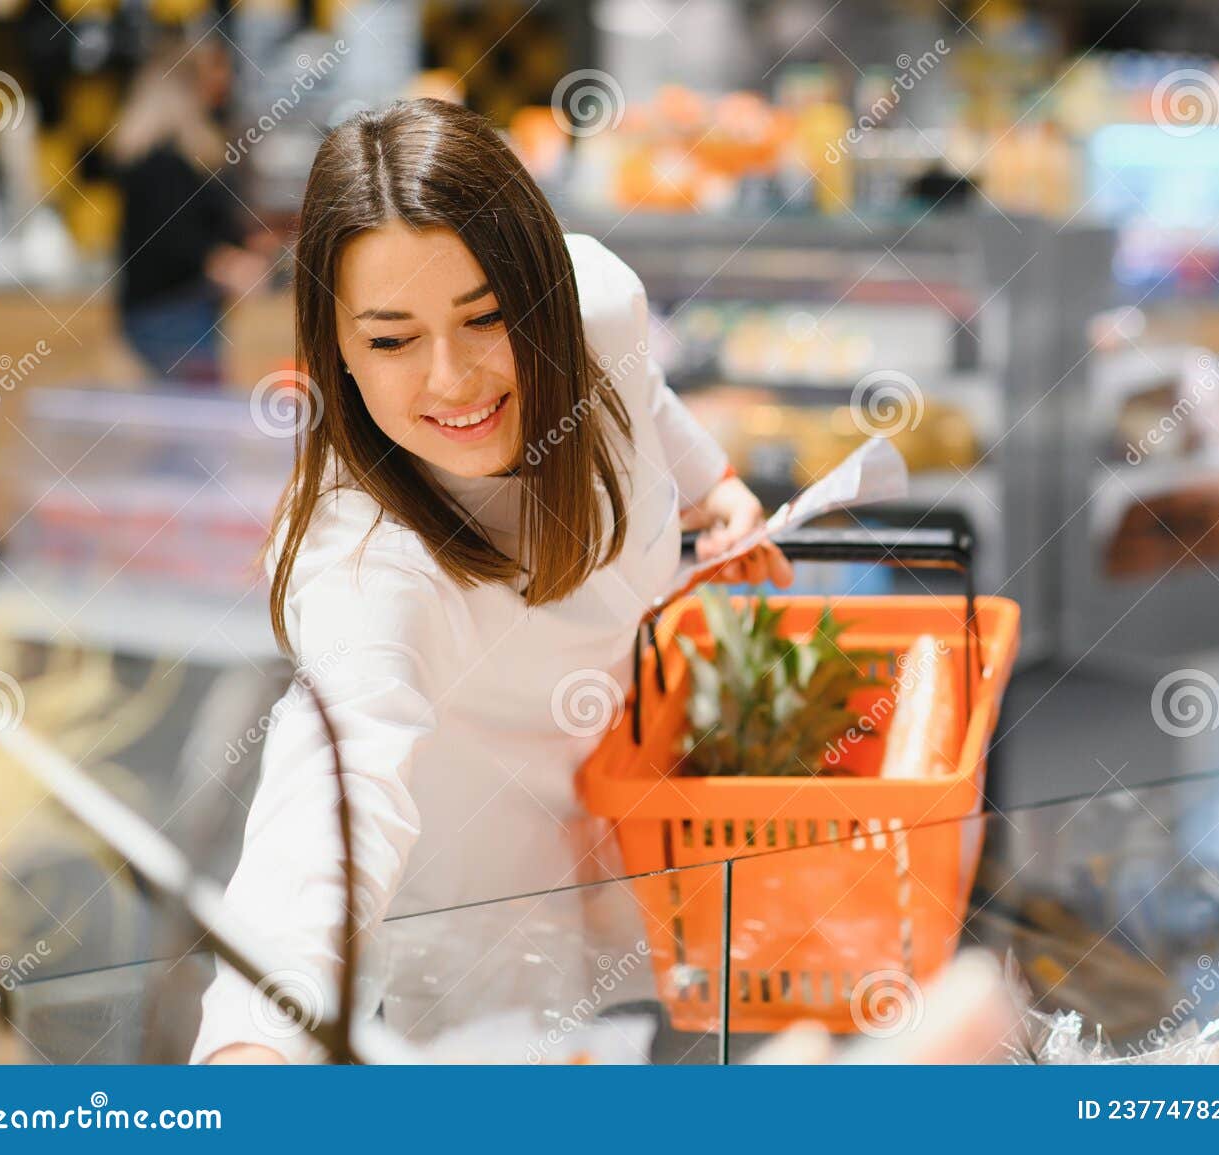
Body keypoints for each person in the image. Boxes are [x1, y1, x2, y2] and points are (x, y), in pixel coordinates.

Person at [191, 99, 790, 1063]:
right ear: (335, 351)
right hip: (491, 927)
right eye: (391, 340)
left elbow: (646, 395)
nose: (454, 379)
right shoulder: (362, 552)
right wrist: (252, 1053)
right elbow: (326, 802)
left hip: (658, 838)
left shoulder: (599, 305)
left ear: (545, 297)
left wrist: (712, 483)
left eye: (488, 317)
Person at [109, 34, 268, 384]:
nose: (224, 81)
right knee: (198, 425)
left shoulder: (161, 155)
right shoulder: (164, 160)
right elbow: (171, 238)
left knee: (183, 424)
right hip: (172, 315)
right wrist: (228, 264)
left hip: (168, 313)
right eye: (215, 71)